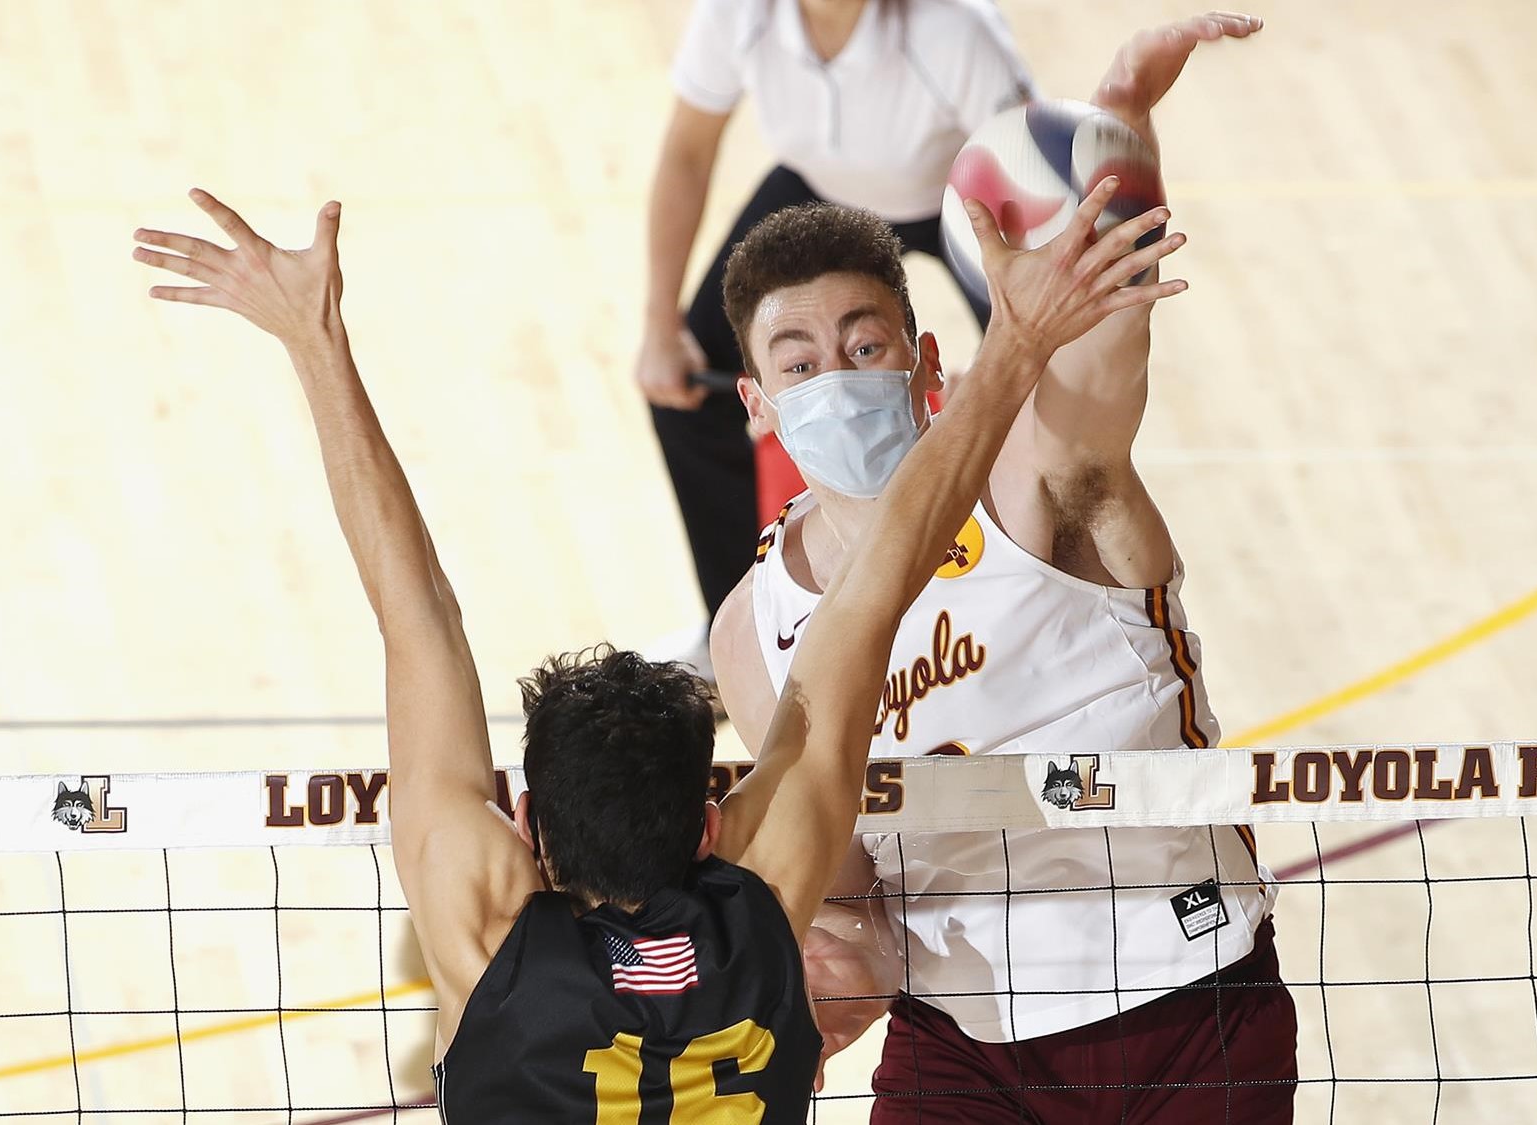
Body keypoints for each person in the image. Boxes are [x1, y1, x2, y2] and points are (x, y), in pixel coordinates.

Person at [129, 174, 1185, 1121]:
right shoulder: (759, 908)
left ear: (530, 828)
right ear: (710, 824)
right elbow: (870, 597)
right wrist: (1012, 352)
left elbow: (415, 622)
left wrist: (315, 344)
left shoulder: (489, 944)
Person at [705, 12, 1300, 1123]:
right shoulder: (750, 630)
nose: (834, 376)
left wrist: (1117, 125)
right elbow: (844, 892)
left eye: (862, 344)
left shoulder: (1032, 472)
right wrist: (830, 977)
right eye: (799, 361)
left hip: (1182, 1000)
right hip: (960, 1045)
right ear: (756, 404)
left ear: (924, 359)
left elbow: (1109, 340)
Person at [635, 0, 1040, 673]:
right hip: (816, 192)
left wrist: (1014, 358)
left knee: (1042, 391)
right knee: (683, 389)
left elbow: (1029, 181)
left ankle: (1021, 604)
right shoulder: (738, 13)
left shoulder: (953, 30)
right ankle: (739, 623)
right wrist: (659, 320)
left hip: (960, 201)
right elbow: (686, 152)